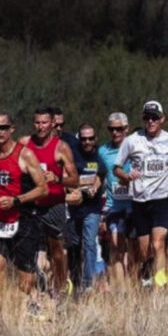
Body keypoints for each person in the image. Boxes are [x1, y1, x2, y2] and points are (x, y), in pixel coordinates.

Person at [0, 111, 47, 302]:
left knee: (25, 283)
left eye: (3, 127)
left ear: (12, 129)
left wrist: (16, 200)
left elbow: (43, 189)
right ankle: (1, 312)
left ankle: (35, 288)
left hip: (22, 219)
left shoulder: (25, 154)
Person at [114, 100, 168, 290]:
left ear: (162, 119)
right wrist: (127, 176)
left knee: (158, 243)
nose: (151, 121)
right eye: (147, 118)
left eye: (155, 117)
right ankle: (147, 275)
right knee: (145, 249)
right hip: (140, 200)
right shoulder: (131, 141)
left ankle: (159, 288)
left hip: (162, 199)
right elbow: (116, 168)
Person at [19, 107, 78, 297]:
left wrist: (57, 179)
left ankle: (59, 291)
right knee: (29, 250)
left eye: (44, 123)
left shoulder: (61, 147)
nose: (40, 126)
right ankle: (32, 294)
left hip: (54, 205)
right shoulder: (25, 143)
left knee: (57, 252)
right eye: (37, 122)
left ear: (52, 124)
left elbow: (75, 179)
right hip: (31, 205)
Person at [97, 112, 136, 290]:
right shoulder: (103, 151)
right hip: (114, 206)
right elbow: (100, 175)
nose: (115, 132)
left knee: (135, 251)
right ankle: (121, 292)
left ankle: (134, 287)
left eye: (119, 129)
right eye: (111, 129)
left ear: (126, 129)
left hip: (135, 205)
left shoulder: (136, 146)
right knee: (116, 248)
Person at [68, 122, 104, 293]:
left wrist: (95, 188)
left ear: (95, 139)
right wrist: (74, 191)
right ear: (79, 139)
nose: (87, 142)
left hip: (92, 208)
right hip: (74, 208)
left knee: (90, 243)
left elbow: (101, 175)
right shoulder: (72, 156)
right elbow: (66, 178)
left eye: (90, 139)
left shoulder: (99, 155)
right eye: (84, 139)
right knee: (74, 244)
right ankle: (75, 281)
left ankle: (88, 283)